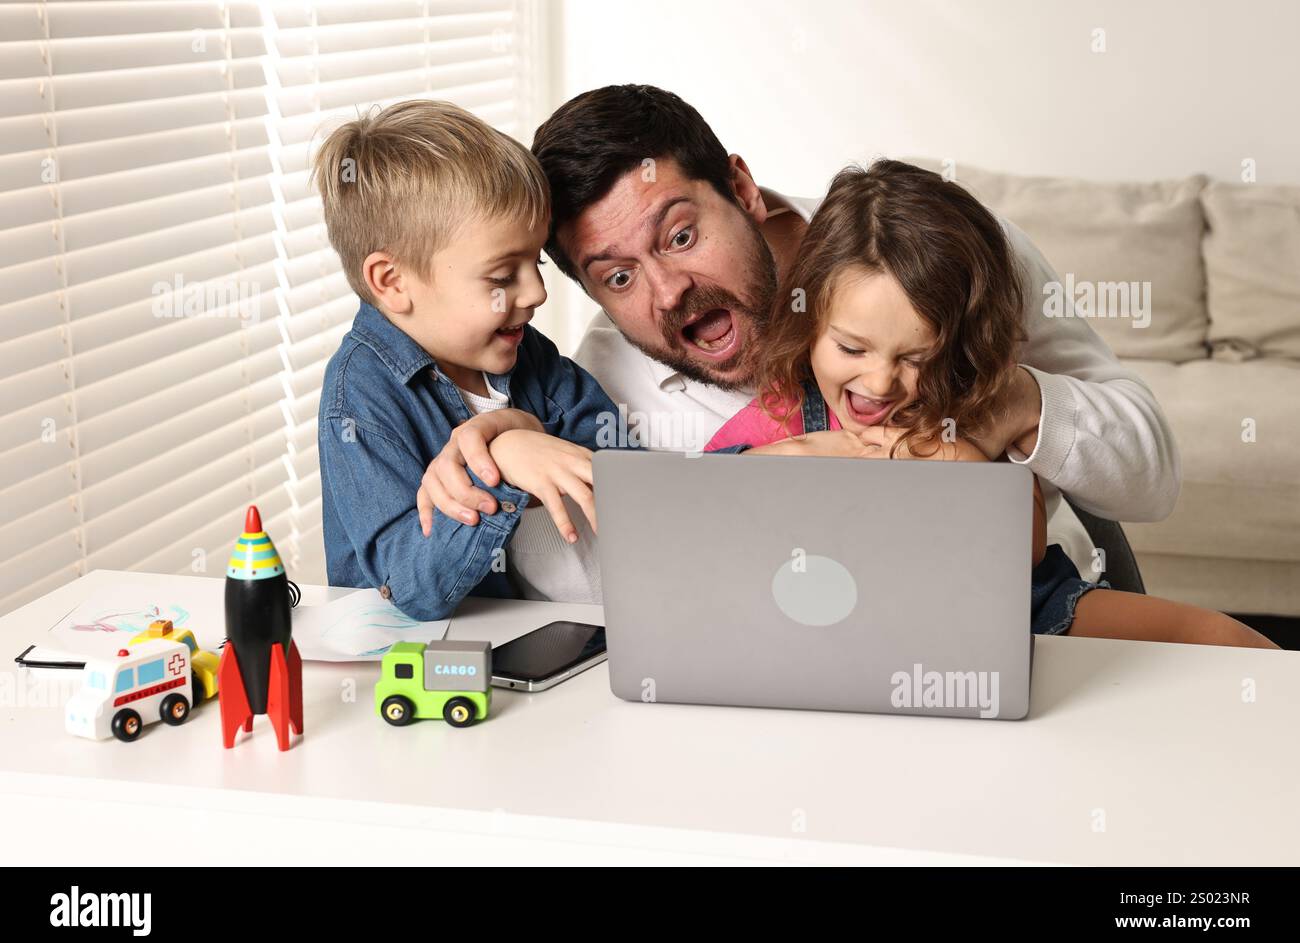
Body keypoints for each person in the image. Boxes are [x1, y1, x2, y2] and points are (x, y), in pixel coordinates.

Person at [416, 84, 1181, 586]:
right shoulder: (605, 383)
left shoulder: (938, 252)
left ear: (742, 189)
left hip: (1049, 616)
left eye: (680, 235)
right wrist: (503, 443)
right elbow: (577, 577)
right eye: (617, 277)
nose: (668, 290)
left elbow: (1152, 479)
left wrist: (1008, 403)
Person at [708, 159, 1275, 648]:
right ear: (810, 324)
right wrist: (829, 454)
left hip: (1015, 611)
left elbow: (1019, 554)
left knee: (1225, 642)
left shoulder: (969, 405)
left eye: (917, 357)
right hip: (842, 627)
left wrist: (945, 460)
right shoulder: (778, 414)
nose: (880, 384)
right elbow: (710, 509)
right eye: (852, 348)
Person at [315, 100, 621, 621]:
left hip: (559, 642)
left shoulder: (529, 353)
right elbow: (409, 584)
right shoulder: (360, 398)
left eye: (537, 262)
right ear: (393, 282)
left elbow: (623, 469)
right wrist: (498, 465)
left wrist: (521, 432)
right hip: (437, 665)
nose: (537, 292)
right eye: (503, 276)